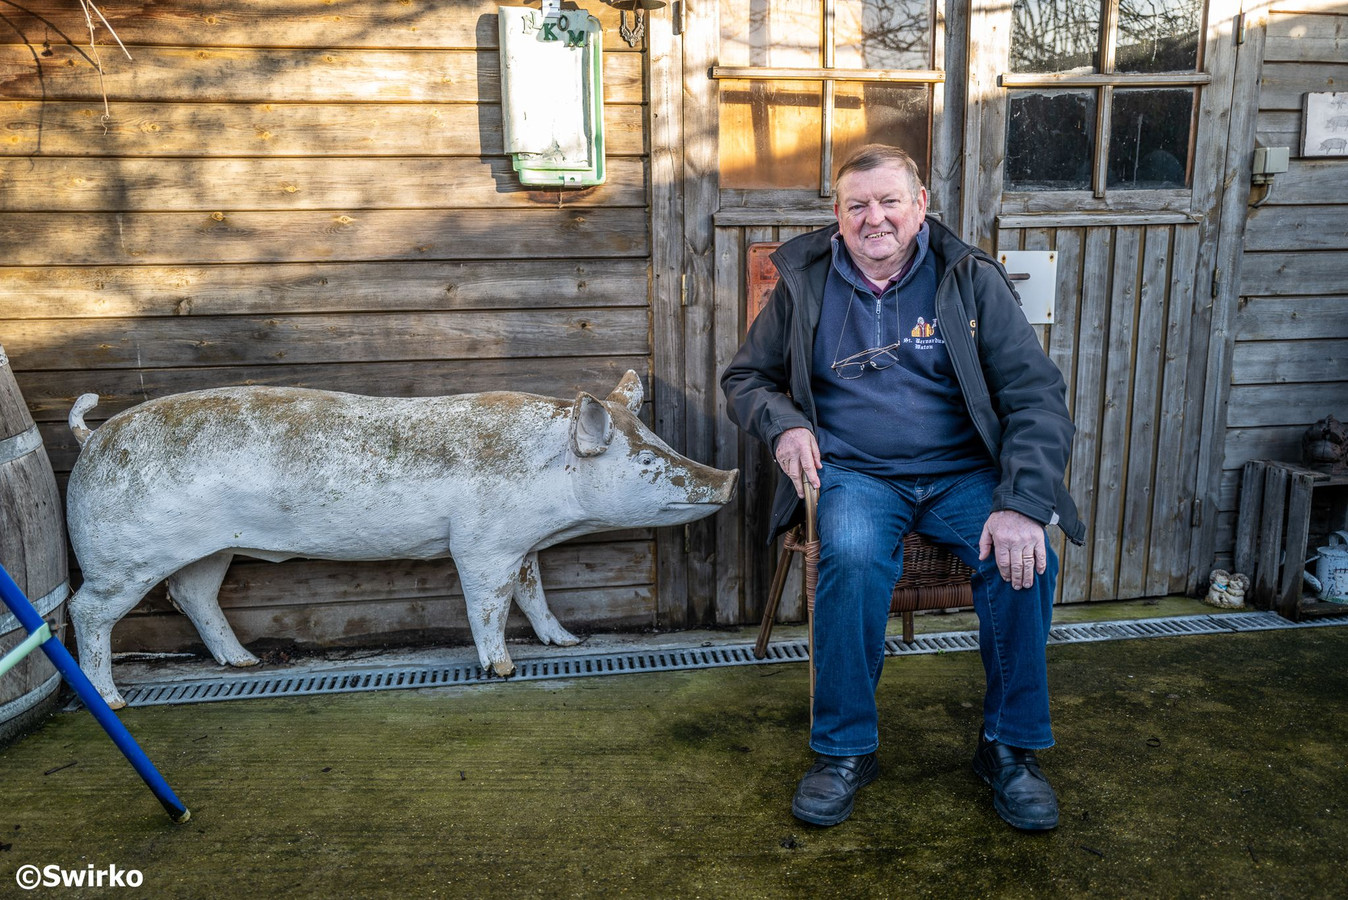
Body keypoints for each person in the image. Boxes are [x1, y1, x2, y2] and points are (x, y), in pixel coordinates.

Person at [721, 144, 1085, 831]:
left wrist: (1022, 503)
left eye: (890, 201)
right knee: (852, 560)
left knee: (1026, 563)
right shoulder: (805, 280)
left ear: (921, 208)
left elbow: (1037, 398)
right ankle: (845, 751)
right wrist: (784, 427)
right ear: (837, 214)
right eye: (857, 205)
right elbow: (747, 380)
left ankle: (1010, 749)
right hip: (857, 473)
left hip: (964, 472)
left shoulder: (968, 277)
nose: (874, 218)